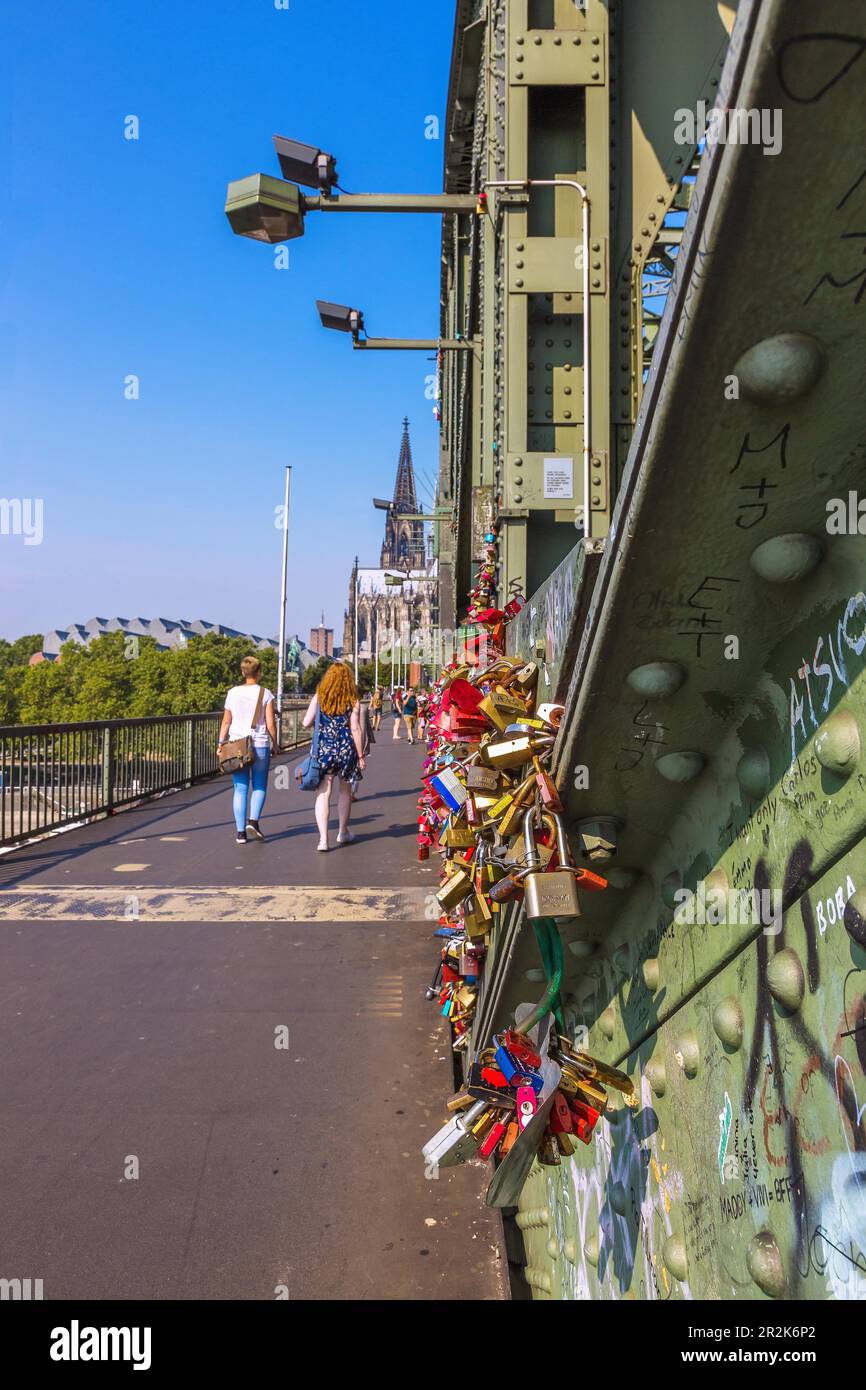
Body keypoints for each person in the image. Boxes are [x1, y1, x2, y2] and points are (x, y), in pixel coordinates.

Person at [302, 662, 366, 851]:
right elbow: (355, 728)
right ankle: (343, 832)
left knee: (324, 793)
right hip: (346, 748)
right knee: (345, 791)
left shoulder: (320, 697)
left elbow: (306, 722)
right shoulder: (352, 700)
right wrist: (361, 755)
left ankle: (323, 840)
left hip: (324, 749)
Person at [218, 655, 278, 845]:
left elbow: (226, 721)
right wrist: (275, 743)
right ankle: (253, 821)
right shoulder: (265, 694)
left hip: (237, 746)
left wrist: (220, 743)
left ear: (243, 672)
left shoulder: (232, 693)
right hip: (259, 744)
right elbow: (270, 723)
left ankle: (240, 832)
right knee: (259, 785)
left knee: (240, 788)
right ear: (258, 672)